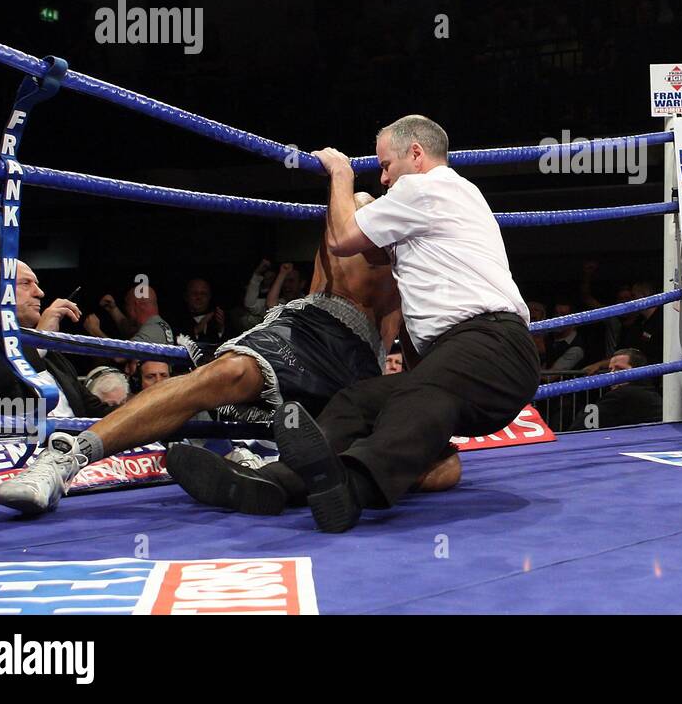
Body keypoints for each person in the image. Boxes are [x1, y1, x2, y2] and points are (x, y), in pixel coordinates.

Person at [174, 115, 540, 533]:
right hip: (470, 366)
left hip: (492, 348)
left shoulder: (424, 186)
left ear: (416, 154)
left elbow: (343, 237)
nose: (384, 178)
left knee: (420, 393)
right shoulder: (457, 197)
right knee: (358, 401)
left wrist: (341, 172)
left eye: (386, 164)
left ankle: (352, 489)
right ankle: (276, 481)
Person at [0, 193, 453, 516]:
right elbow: (340, 232)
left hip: (360, 373)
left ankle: (268, 476)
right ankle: (65, 459)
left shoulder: (419, 264)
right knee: (230, 373)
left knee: (445, 465)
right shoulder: (359, 211)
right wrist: (339, 171)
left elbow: (416, 352)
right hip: (316, 333)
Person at [0, 260, 107, 418]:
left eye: (36, 284)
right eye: (25, 283)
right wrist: (37, 343)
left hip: (74, 442)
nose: (40, 293)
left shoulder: (52, 356)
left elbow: (94, 410)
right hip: (14, 444)